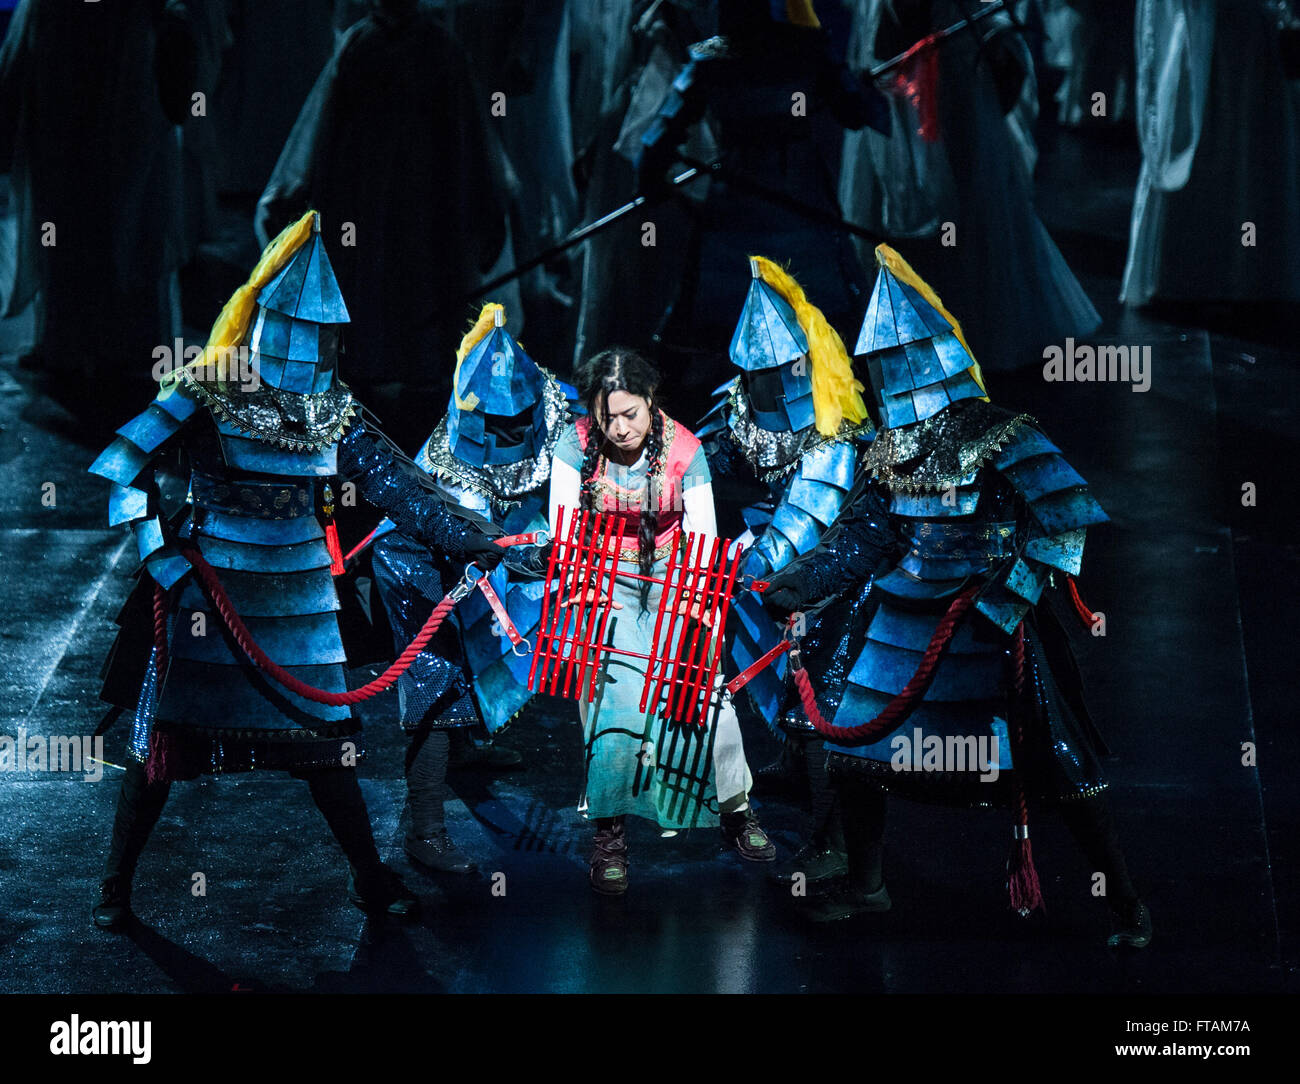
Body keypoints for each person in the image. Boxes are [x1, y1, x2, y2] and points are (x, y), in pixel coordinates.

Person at [88, 211, 504, 930]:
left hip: (302, 597)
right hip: (205, 589)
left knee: (328, 754)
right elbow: (126, 471)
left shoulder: (333, 411)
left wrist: (479, 543)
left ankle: (368, 879)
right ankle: (115, 887)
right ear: (271, 318)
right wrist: (162, 558)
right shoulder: (207, 384)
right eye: (305, 329)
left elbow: (401, 488)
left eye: (327, 334)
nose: (315, 345)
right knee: (159, 747)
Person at [762, 245, 1150, 946]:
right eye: (878, 362)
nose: (888, 372)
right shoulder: (886, 449)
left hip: (989, 619)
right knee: (855, 750)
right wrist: (801, 581)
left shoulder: (1001, 435)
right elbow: (861, 539)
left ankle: (1124, 898)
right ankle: (867, 880)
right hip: (898, 616)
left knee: (1053, 762)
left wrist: (1003, 603)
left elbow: (1060, 527)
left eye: (897, 356)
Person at [549, 348, 775, 895]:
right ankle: (609, 836)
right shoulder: (574, 444)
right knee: (612, 706)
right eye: (609, 416)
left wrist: (694, 613)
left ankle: (736, 813)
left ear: (650, 402)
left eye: (631, 413)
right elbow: (563, 534)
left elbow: (703, 539)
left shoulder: (685, 449)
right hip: (603, 587)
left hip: (677, 582)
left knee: (703, 700)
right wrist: (584, 597)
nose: (620, 427)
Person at [366, 302, 575, 874]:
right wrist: (529, 557)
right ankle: (424, 831)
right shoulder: (452, 463)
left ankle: (465, 749)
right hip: (417, 559)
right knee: (436, 682)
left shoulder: (556, 409)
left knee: (483, 652)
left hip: (482, 549)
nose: (509, 432)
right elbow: (475, 535)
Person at [699, 255, 887, 887]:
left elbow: (810, 516)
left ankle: (829, 833)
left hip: (833, 574)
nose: (773, 388)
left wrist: (748, 568)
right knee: (765, 658)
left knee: (819, 694)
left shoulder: (835, 424)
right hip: (771, 571)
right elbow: (703, 464)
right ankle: (787, 757)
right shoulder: (736, 410)